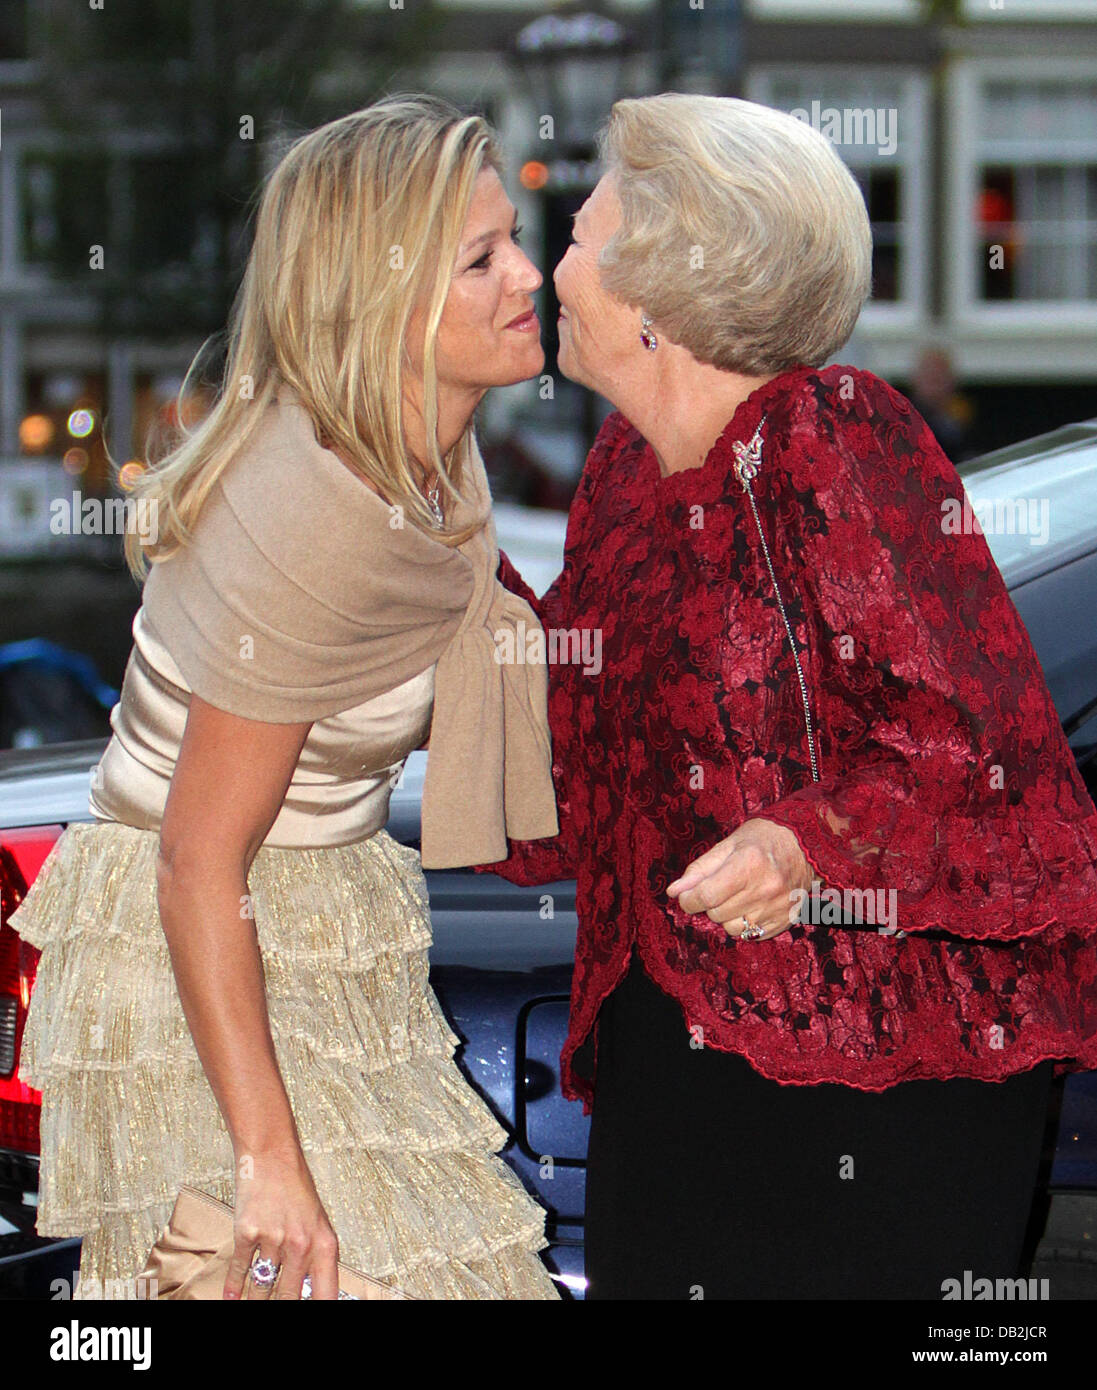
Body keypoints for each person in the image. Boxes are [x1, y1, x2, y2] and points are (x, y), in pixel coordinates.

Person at [477, 93, 1097, 1300]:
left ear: (667, 285)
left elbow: (961, 740)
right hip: (675, 1044)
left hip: (867, 1058)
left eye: (582, 235)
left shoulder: (829, 430)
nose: (554, 266)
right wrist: (439, 538)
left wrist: (807, 839)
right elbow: (557, 751)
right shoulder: (620, 476)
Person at [10, 94, 562, 1301]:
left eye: (510, 235)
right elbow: (196, 862)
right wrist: (268, 1158)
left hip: (323, 923)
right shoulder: (311, 512)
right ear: (384, 301)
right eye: (481, 257)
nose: (528, 272)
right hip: (203, 952)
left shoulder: (426, 456)